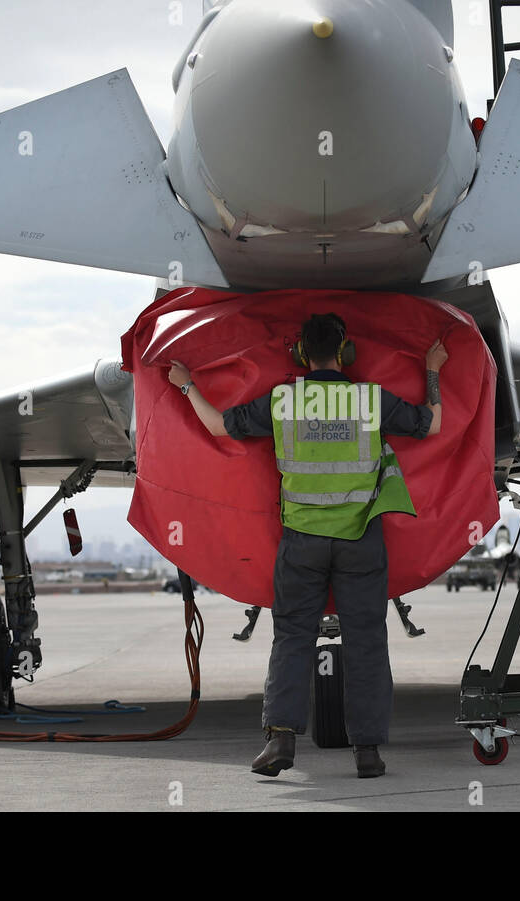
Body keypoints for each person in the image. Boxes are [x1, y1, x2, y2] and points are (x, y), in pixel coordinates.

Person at [167, 313, 447, 778]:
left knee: (294, 637)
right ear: (345, 352)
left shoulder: (283, 400)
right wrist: (433, 369)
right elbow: (431, 425)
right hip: (360, 540)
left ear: (300, 354)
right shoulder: (369, 399)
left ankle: (281, 741)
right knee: (367, 642)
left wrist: (185, 385)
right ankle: (368, 752)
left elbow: (217, 425)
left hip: (302, 541)